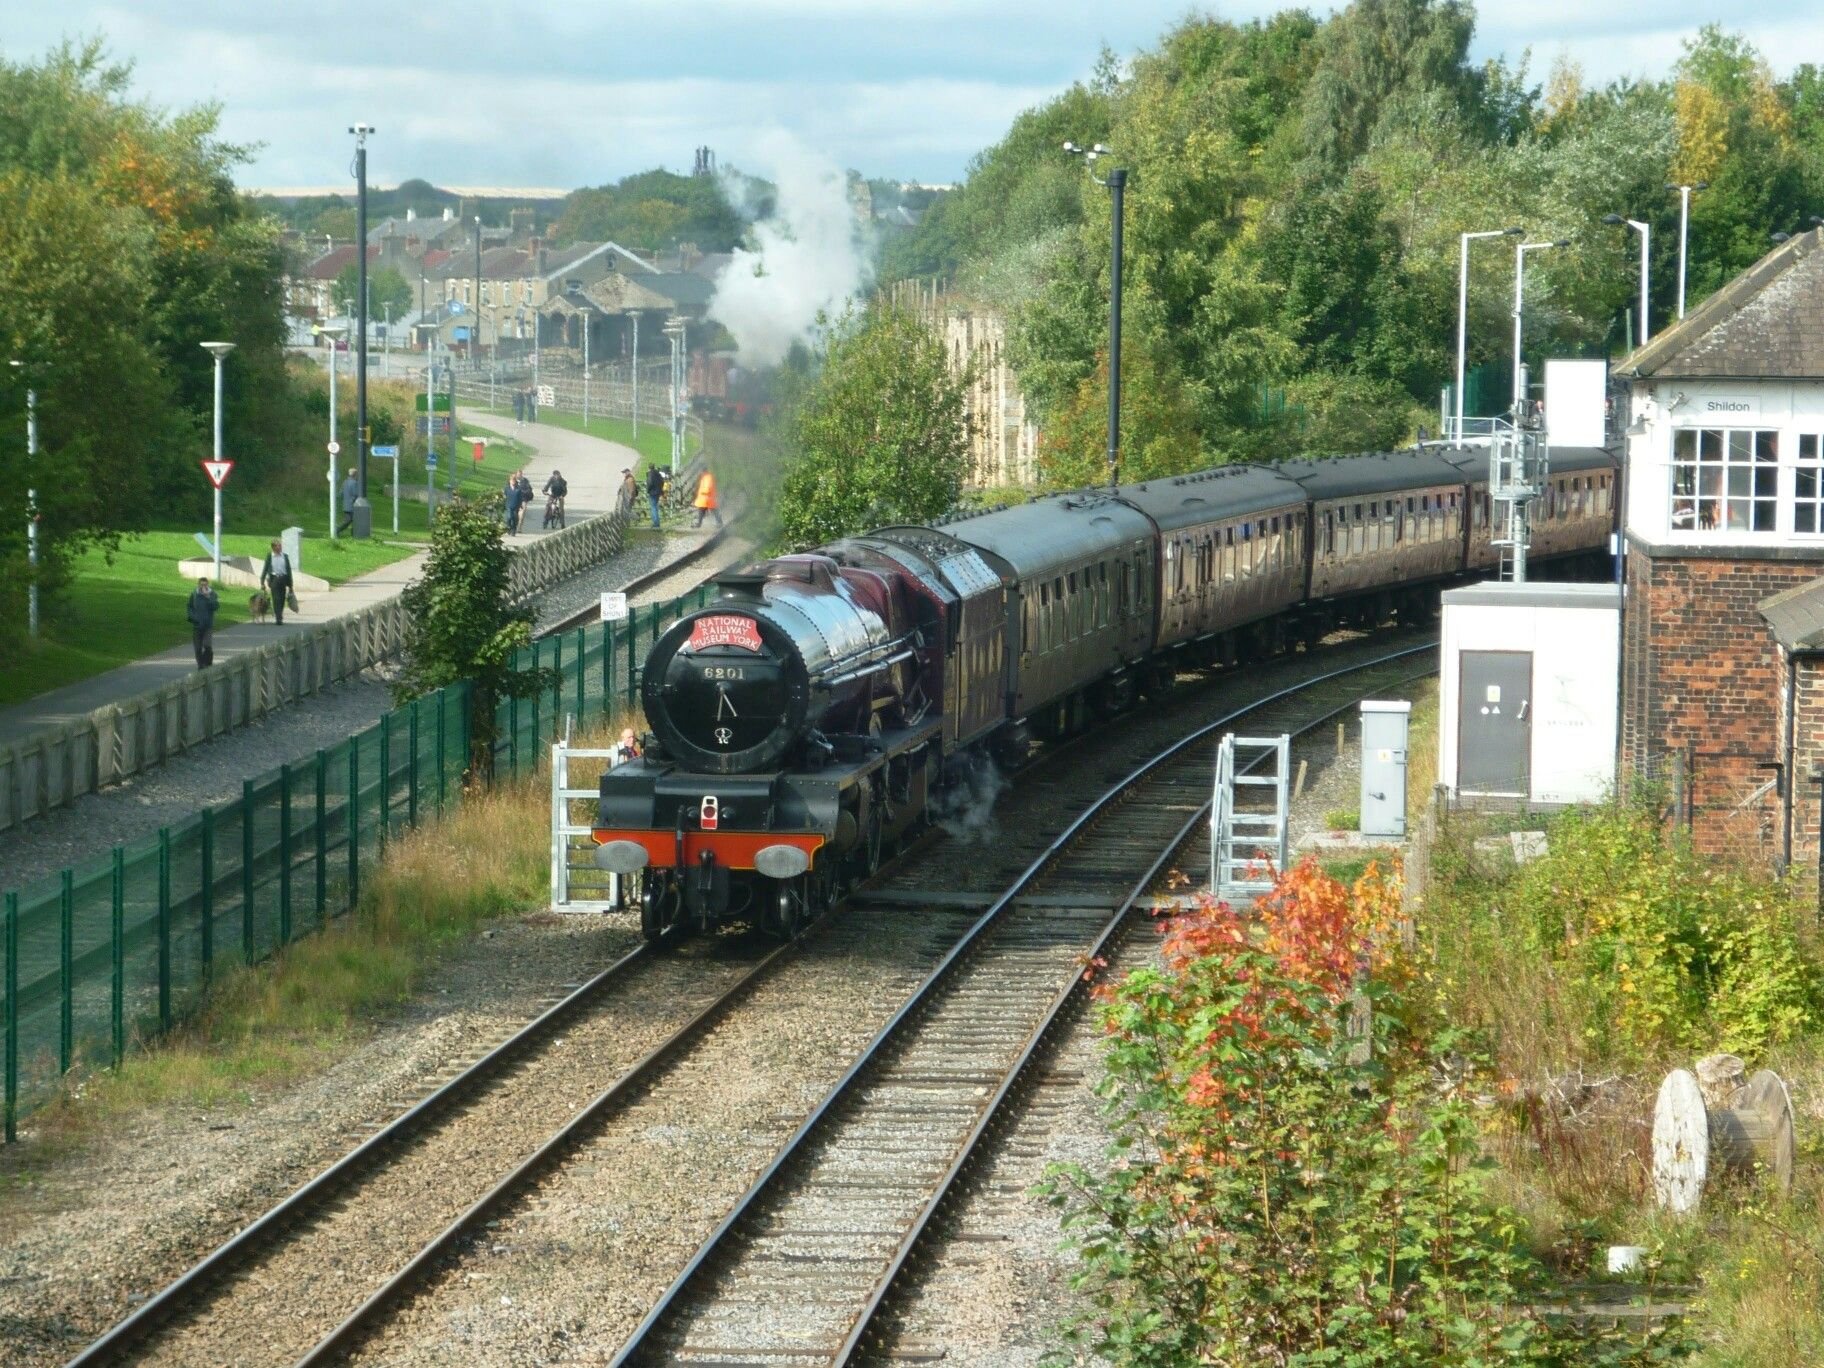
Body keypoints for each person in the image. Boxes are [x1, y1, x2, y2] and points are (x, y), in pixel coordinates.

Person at [187, 576, 220, 669]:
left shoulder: (212, 594)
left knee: (207, 645)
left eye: (205, 585)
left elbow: (216, 606)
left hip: (208, 625)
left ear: (207, 585)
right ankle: (201, 666)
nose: (203, 587)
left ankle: (208, 663)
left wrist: (208, 597)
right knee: (197, 648)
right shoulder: (194, 594)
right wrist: (192, 617)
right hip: (197, 625)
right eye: (201, 585)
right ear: (198, 585)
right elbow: (189, 606)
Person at [260, 539, 295, 626]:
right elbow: (265, 569)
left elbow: (288, 570)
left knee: (282, 599)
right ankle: (278, 618)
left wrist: (291, 585)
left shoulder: (285, 556)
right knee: (276, 599)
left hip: (283, 579)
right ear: (273, 547)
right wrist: (262, 582)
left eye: (280, 546)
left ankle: (279, 614)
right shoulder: (270, 556)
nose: (279, 547)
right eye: (277, 546)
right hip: (274, 579)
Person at [645, 463, 666, 530]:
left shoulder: (650, 474)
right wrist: (660, 489)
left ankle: (656, 523)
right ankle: (656, 522)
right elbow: (662, 482)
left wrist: (648, 490)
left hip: (653, 492)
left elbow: (650, 483)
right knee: (655, 507)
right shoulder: (658, 474)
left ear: (649, 468)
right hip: (658, 492)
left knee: (653, 507)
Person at [339, 471, 360, 535]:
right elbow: (355, 494)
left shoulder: (345, 482)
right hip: (353, 505)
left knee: (351, 520)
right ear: (355, 475)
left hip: (346, 504)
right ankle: (337, 530)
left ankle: (354, 534)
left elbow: (341, 494)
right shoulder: (355, 483)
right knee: (350, 521)